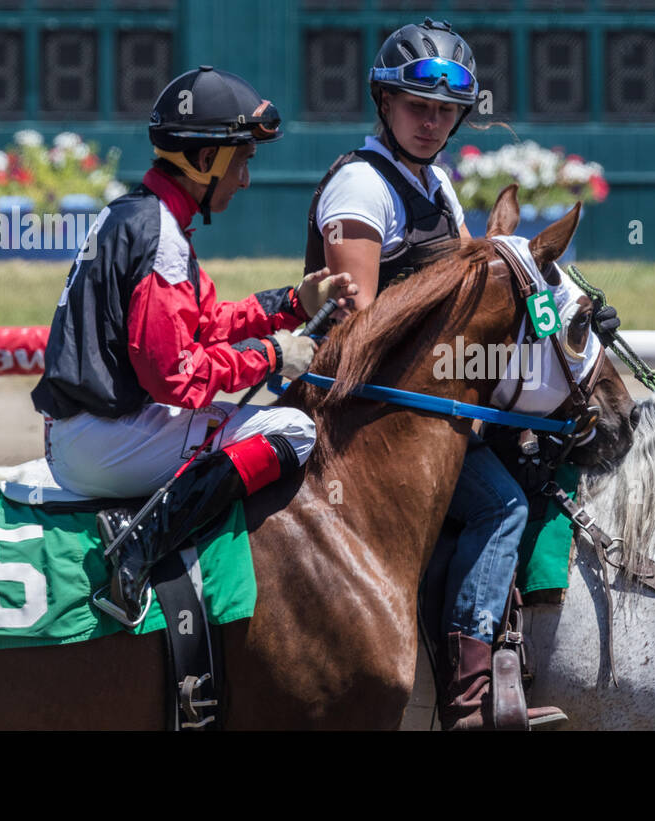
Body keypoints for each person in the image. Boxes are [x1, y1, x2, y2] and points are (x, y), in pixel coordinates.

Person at [303, 19, 575, 730]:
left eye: (445, 111)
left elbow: (467, 294)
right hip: (363, 416)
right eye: (416, 107)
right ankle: (467, 698)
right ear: (383, 105)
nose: (431, 123)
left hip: (426, 407)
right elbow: (353, 332)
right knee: (501, 505)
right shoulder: (361, 188)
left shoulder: (436, 185)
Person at [32, 66, 356, 626]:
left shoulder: (137, 213)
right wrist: (274, 356)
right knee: (292, 431)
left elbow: (204, 322)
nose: (246, 178)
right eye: (243, 160)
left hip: (87, 433)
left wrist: (291, 305)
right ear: (206, 160)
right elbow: (175, 378)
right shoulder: (160, 234)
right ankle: (139, 546)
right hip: (102, 442)